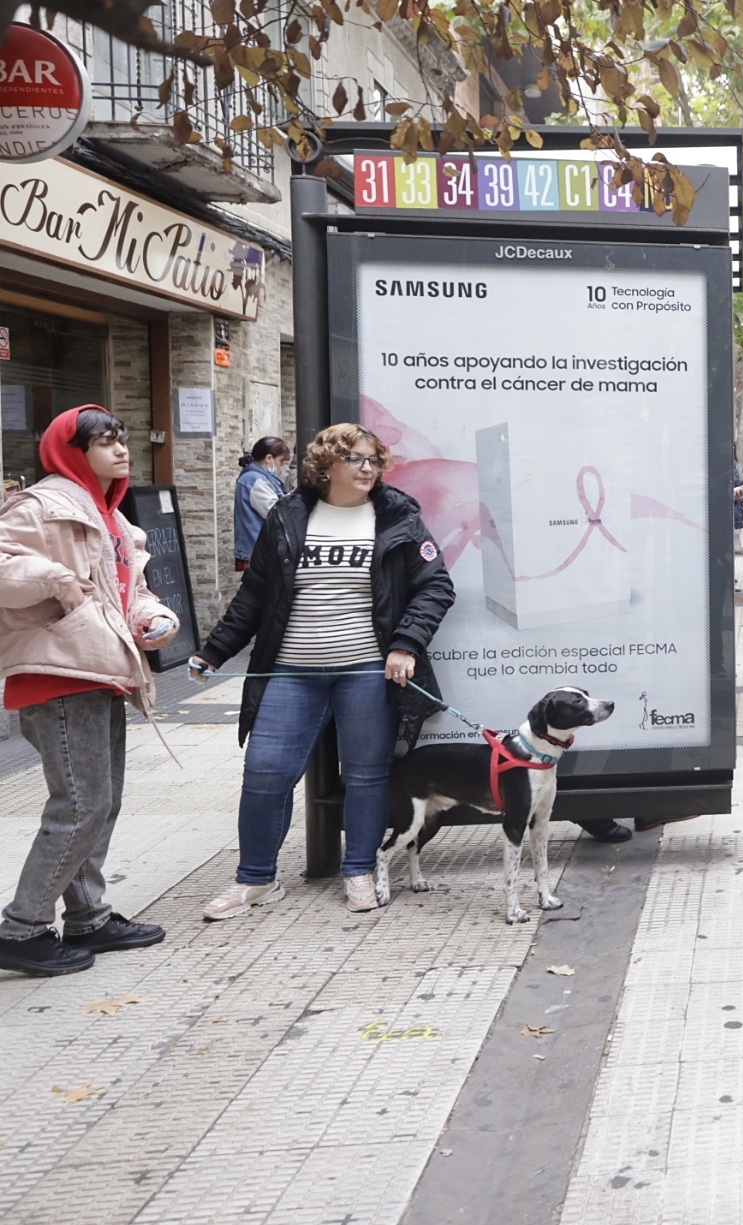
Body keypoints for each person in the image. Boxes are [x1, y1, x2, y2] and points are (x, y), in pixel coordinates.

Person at [191, 423, 454, 918]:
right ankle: (256, 880)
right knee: (266, 773)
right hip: (290, 671)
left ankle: (358, 869)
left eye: (374, 459)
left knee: (366, 775)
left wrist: (405, 645)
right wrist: (213, 652)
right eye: (355, 458)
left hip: (366, 671)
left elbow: (435, 587)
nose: (367, 468)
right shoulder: (289, 516)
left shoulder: (398, 517)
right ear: (326, 464)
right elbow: (255, 596)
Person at [0, 407, 180, 977]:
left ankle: (88, 917)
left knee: (100, 803)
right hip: (58, 670)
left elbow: (132, 592)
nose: (121, 450)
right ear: (73, 451)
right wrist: (55, 580)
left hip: (102, 669)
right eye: (105, 442)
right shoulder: (41, 504)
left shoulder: (115, 520)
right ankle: (21, 928)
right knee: (81, 805)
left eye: (122, 439)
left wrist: (155, 618)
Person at [233, 436, 291, 571]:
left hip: (256, 550)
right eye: (281, 461)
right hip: (257, 552)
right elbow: (276, 512)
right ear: (269, 458)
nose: (281, 466)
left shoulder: (257, 477)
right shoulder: (254, 480)